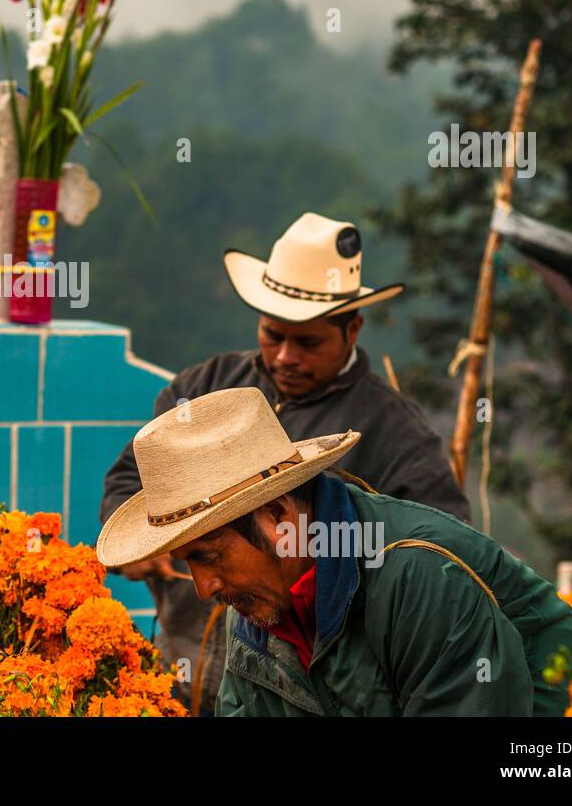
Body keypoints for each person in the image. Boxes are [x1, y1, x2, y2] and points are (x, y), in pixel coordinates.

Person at [100, 211, 470, 714]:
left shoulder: (394, 427)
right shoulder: (205, 389)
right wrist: (147, 543)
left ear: (353, 328)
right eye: (273, 336)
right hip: (181, 673)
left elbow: (443, 547)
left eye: (308, 342)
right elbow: (129, 476)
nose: (284, 357)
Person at [96, 387, 572, 715]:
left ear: (278, 517)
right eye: (188, 563)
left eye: (208, 555)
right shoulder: (255, 612)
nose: (205, 588)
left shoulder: (416, 573)